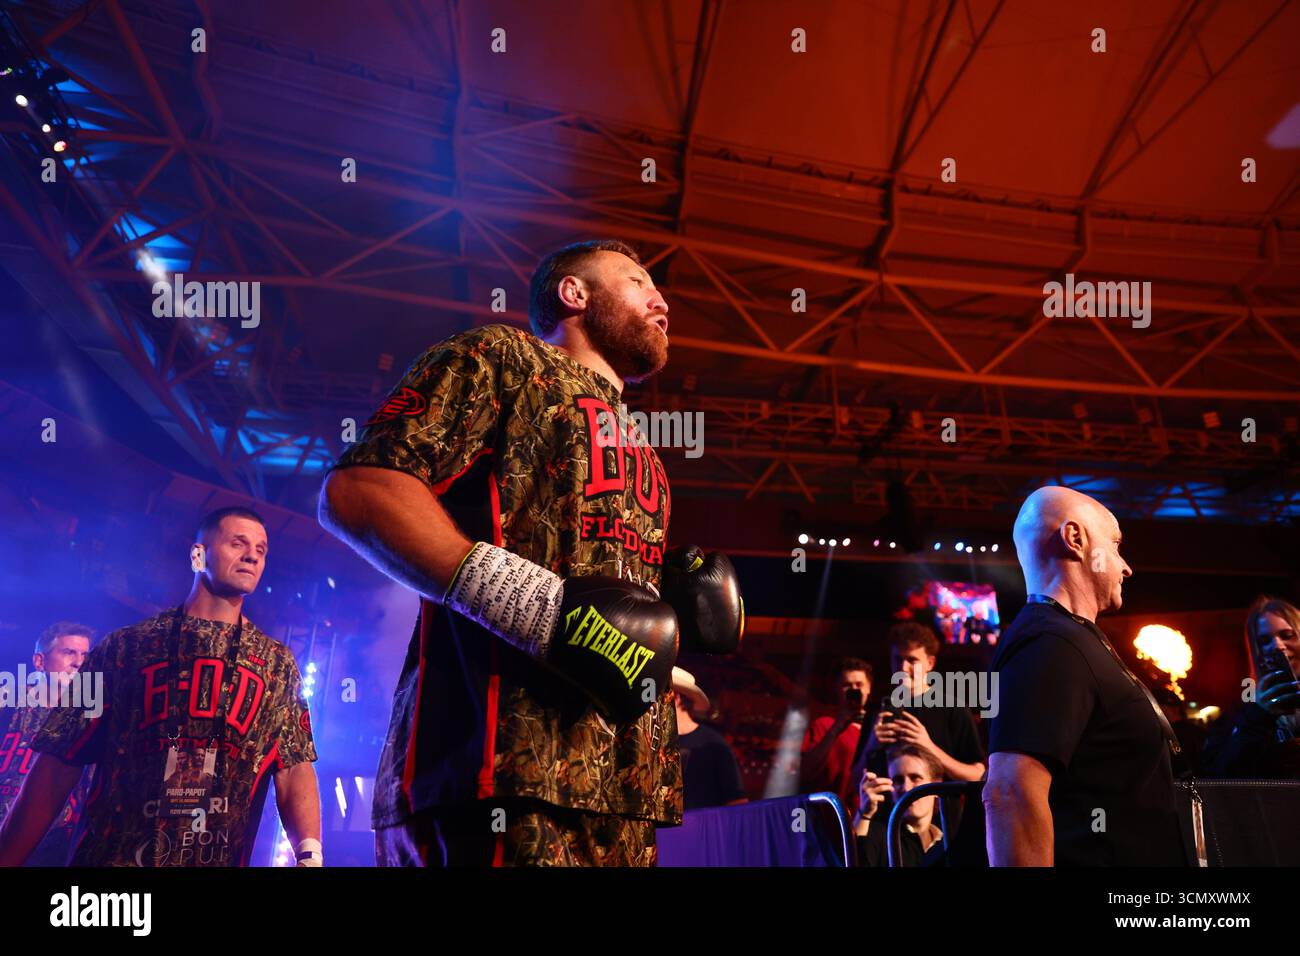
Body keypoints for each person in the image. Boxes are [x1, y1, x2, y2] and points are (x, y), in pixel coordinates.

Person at [319, 239, 743, 867]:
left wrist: (669, 639)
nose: (662, 300)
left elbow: (607, 624)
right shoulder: (502, 358)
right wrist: (538, 608)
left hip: (624, 792)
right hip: (495, 774)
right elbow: (360, 492)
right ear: (574, 293)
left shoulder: (640, 444)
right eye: (637, 282)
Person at [0, 507, 321, 868]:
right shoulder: (125, 647)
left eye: (261, 550)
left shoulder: (276, 663)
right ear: (198, 554)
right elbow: (58, 762)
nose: (251, 555)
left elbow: (293, 765)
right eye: (238, 543)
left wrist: (310, 856)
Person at [984, 486, 1186, 866]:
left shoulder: (1068, 638)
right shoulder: (1049, 642)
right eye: (1115, 545)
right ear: (1075, 539)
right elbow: (1010, 793)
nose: (1126, 566)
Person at [859, 623, 985, 831]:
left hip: (941, 831)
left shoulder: (952, 709)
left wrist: (928, 747)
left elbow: (977, 776)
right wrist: (871, 746)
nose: (902, 668)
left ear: (930, 663)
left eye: (912, 660)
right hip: (885, 829)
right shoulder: (877, 712)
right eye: (897, 659)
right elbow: (855, 778)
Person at [0, 622, 95, 866]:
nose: (78, 662)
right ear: (40, 662)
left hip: (57, 843)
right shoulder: (8, 704)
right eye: (68, 652)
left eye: (85, 655)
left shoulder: (93, 718)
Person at [1201, 595, 1300, 778]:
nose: (1277, 646)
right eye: (1264, 641)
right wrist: (1259, 717)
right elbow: (1219, 775)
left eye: (1287, 635)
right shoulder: (1242, 710)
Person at [852, 744, 946, 867]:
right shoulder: (880, 836)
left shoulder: (949, 839)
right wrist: (864, 814)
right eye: (898, 780)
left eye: (915, 778)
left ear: (936, 786)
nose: (906, 788)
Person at [800, 657, 872, 812]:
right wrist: (836, 728)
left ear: (869, 688)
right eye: (846, 685)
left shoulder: (876, 725)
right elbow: (806, 771)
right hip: (832, 814)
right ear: (837, 689)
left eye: (859, 685)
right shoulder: (824, 724)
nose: (854, 690)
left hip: (868, 814)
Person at [673, 668, 745, 810]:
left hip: (703, 829)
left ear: (675, 696)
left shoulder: (713, 743)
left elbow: (737, 802)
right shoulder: (655, 742)